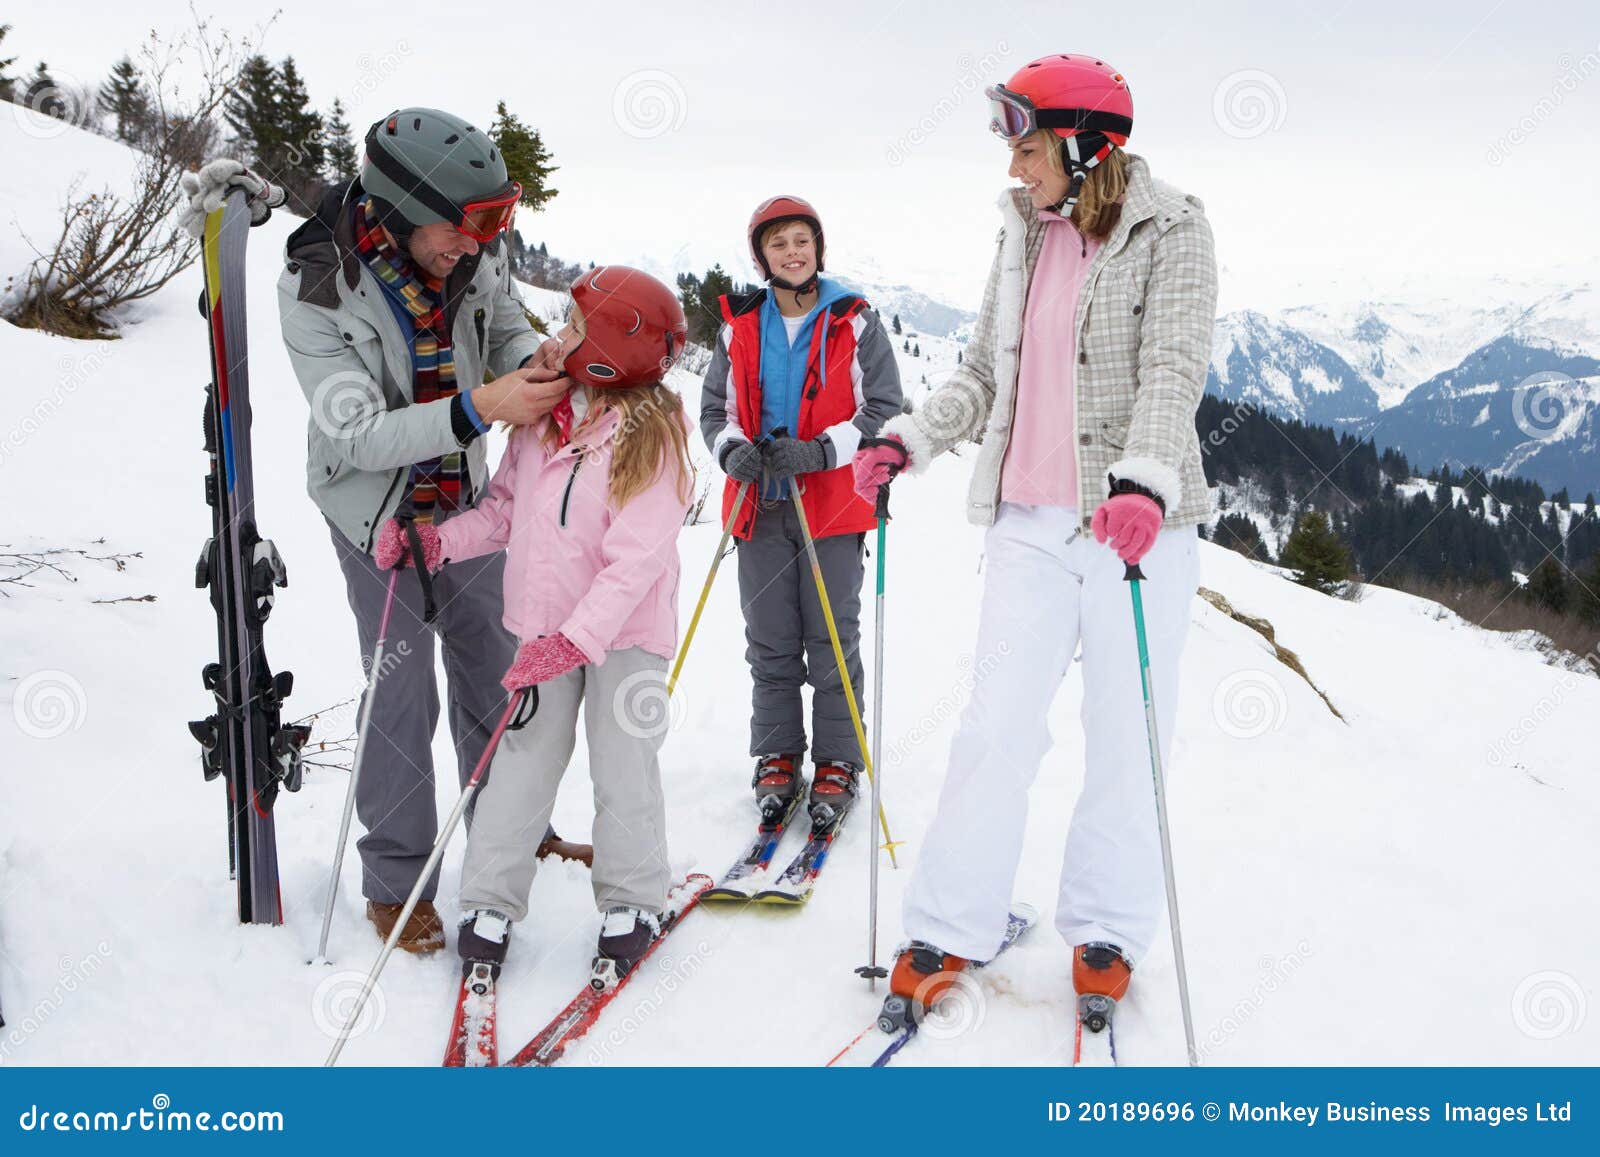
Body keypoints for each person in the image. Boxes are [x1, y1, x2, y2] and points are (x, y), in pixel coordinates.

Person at [853, 55, 1217, 1026]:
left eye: (1025, 145)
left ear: (1082, 142)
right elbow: (982, 369)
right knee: (993, 730)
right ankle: (948, 923)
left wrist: (1143, 478)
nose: (1014, 167)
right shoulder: (1022, 230)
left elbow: (1172, 367)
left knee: (1126, 737)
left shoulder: (1174, 225)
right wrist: (909, 439)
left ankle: (1103, 930)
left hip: (1136, 529)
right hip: (1028, 524)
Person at [185, 107, 582, 954]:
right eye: (465, 224)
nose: (478, 244)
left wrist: (535, 357)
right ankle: (398, 878)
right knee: (402, 692)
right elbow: (357, 435)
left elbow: (505, 320)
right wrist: (486, 407)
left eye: (493, 224)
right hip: (376, 514)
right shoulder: (316, 286)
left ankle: (512, 825)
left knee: (497, 671)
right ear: (403, 208)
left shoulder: (469, 255)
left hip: (468, 506)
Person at [376, 267, 693, 986]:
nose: (560, 338)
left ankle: (631, 902)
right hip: (541, 627)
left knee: (624, 764)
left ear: (615, 347)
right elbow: (502, 511)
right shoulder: (544, 416)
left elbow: (636, 557)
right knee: (519, 762)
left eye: (578, 329)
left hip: (623, 638)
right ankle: (489, 903)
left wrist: (574, 641)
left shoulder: (654, 435)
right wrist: (440, 543)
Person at [699, 196, 902, 832]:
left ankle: (839, 760)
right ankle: (780, 755)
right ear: (762, 256)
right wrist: (733, 452)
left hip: (835, 506)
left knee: (832, 639)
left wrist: (821, 450)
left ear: (818, 248)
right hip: (759, 508)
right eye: (779, 243)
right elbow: (715, 413)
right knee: (771, 642)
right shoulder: (740, 326)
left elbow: (884, 408)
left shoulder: (854, 321)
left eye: (802, 240)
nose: (793, 252)